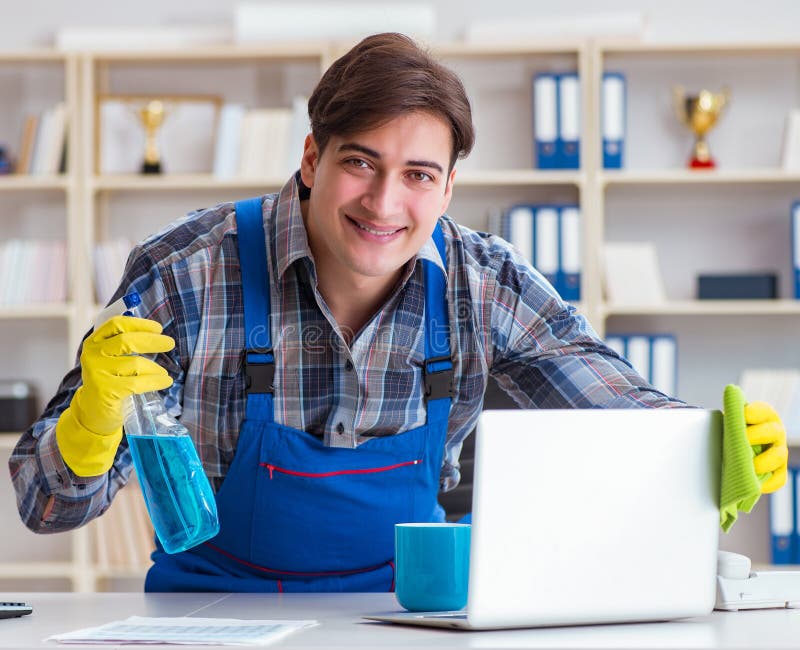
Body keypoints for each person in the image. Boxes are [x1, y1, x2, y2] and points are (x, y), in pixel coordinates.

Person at [10, 32, 787, 593]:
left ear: (448, 188)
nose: (385, 203)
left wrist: (708, 449)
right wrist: (90, 425)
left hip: (407, 622)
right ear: (312, 158)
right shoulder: (187, 273)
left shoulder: (484, 285)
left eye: (418, 174)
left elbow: (612, 407)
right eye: (360, 163)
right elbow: (46, 506)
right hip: (214, 621)